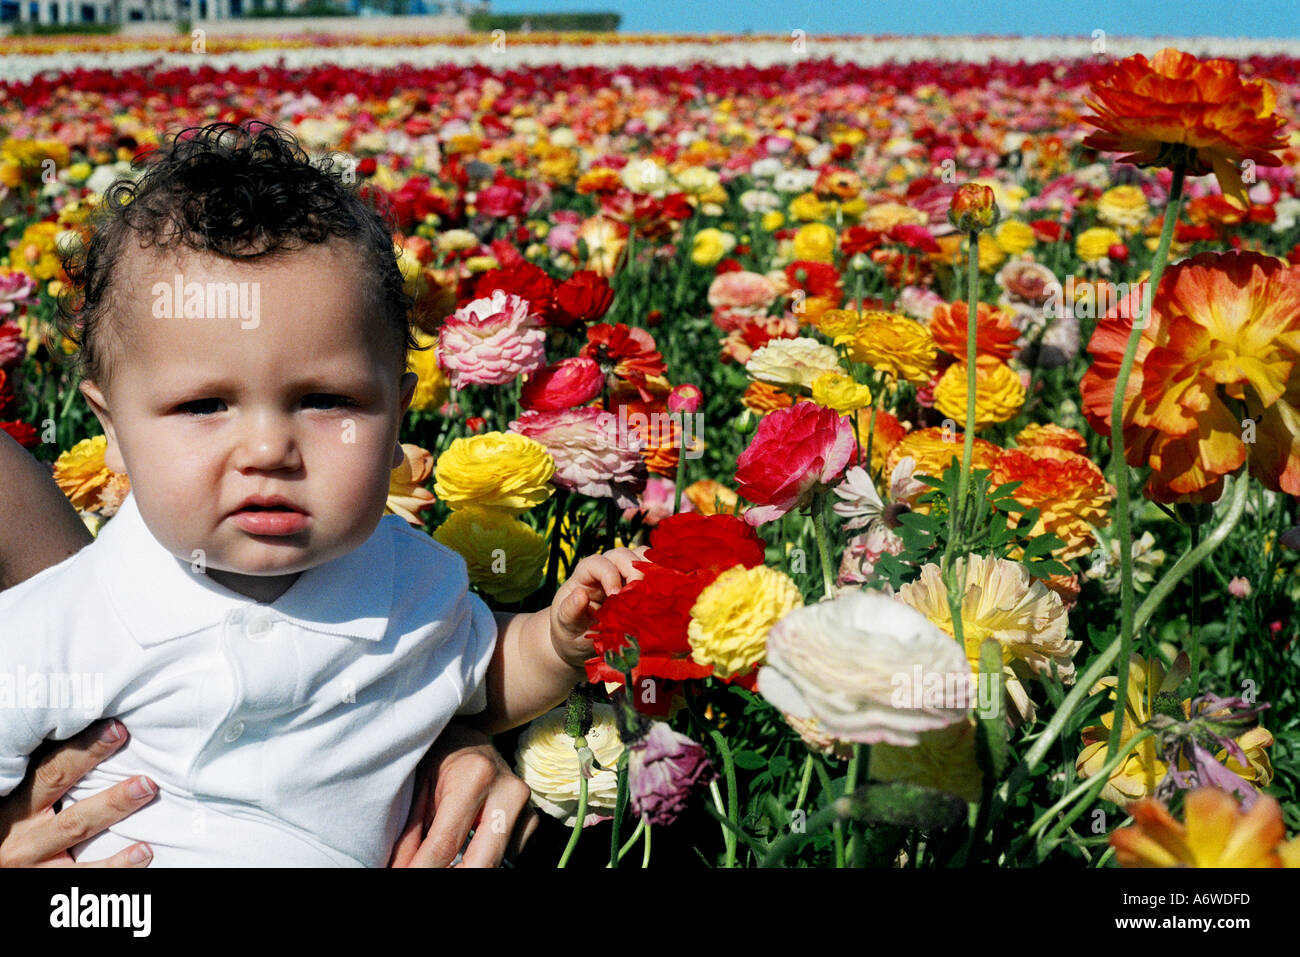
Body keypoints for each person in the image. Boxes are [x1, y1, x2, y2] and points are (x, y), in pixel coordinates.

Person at [0, 121, 640, 866]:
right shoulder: (62, 620)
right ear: (112, 427)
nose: (269, 448)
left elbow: (482, 674)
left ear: (397, 412)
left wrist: (557, 640)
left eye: (325, 400)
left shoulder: (411, 580)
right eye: (205, 406)